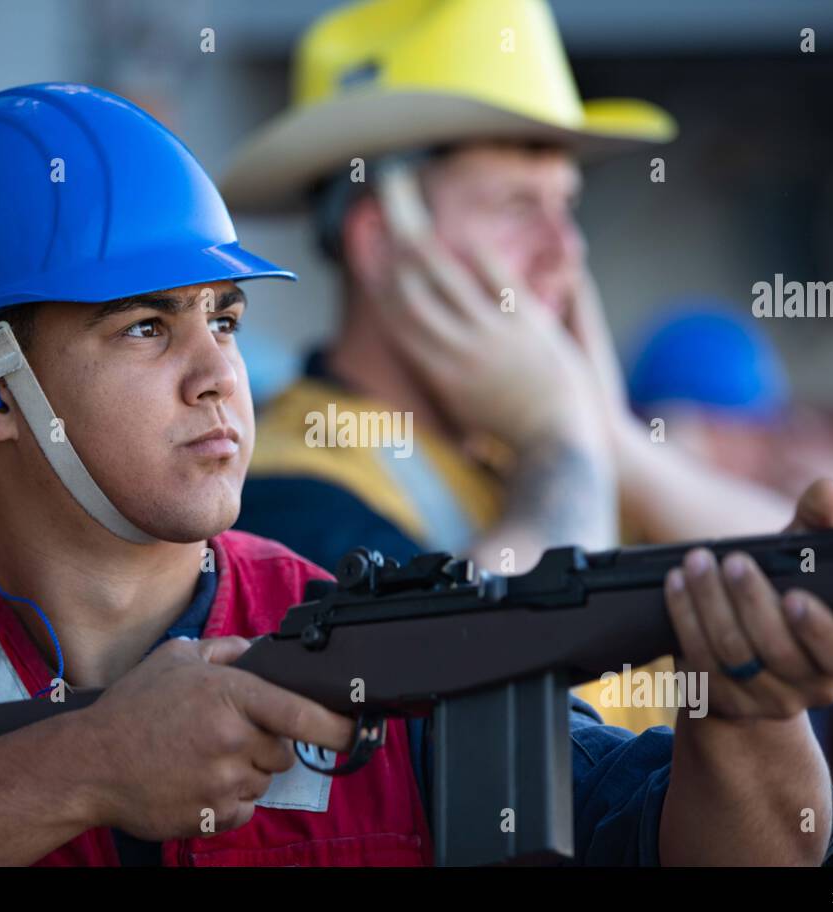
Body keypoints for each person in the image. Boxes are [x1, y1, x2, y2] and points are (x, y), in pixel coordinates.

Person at [0, 81, 833, 867]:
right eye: (144, 326)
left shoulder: (389, 656)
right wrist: (87, 768)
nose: (216, 373)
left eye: (224, 318)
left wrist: (748, 717)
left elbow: (729, 848)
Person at [224, 0, 800, 731]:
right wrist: (562, 432)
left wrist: (611, 436)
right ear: (385, 245)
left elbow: (817, 605)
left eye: (568, 206)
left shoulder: (570, 456)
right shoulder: (285, 500)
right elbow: (485, 678)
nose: (568, 252)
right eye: (518, 206)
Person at [625, 302, 833, 524]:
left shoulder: (806, 484)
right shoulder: (661, 474)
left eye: (766, 435)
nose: (764, 453)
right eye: (748, 436)